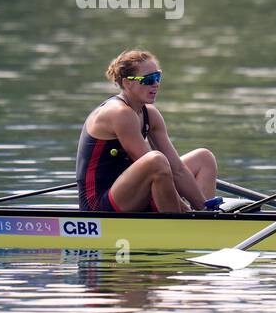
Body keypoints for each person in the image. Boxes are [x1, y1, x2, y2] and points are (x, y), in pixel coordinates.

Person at [76, 50, 218, 212]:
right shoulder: (120, 113)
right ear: (128, 83)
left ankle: (206, 217)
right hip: (99, 206)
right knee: (156, 160)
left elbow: (177, 169)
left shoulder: (150, 114)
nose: (155, 84)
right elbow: (154, 165)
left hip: (133, 191)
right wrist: (185, 210)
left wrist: (205, 210)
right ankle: (180, 223)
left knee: (203, 158)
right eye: (149, 80)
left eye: (157, 77)